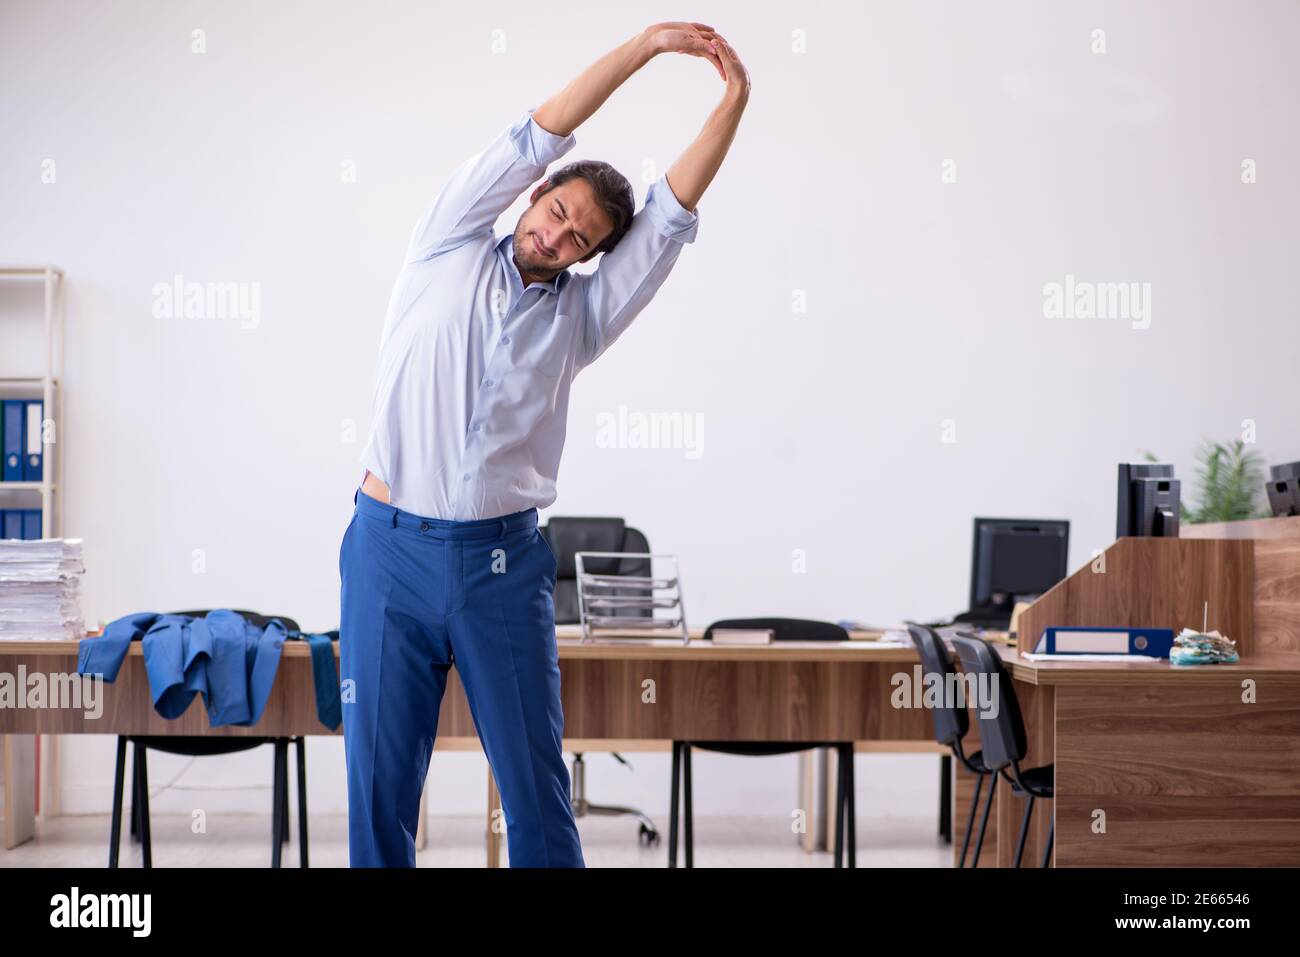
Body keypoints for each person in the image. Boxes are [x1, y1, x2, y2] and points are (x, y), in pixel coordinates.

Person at [338, 21, 749, 867]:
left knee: (534, 789)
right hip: (387, 552)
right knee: (378, 790)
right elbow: (544, 129)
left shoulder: (582, 318)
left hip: (500, 566)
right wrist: (647, 48)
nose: (557, 237)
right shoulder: (447, 240)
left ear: (593, 254)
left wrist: (734, 98)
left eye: (580, 240)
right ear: (534, 195)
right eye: (557, 211)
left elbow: (670, 216)